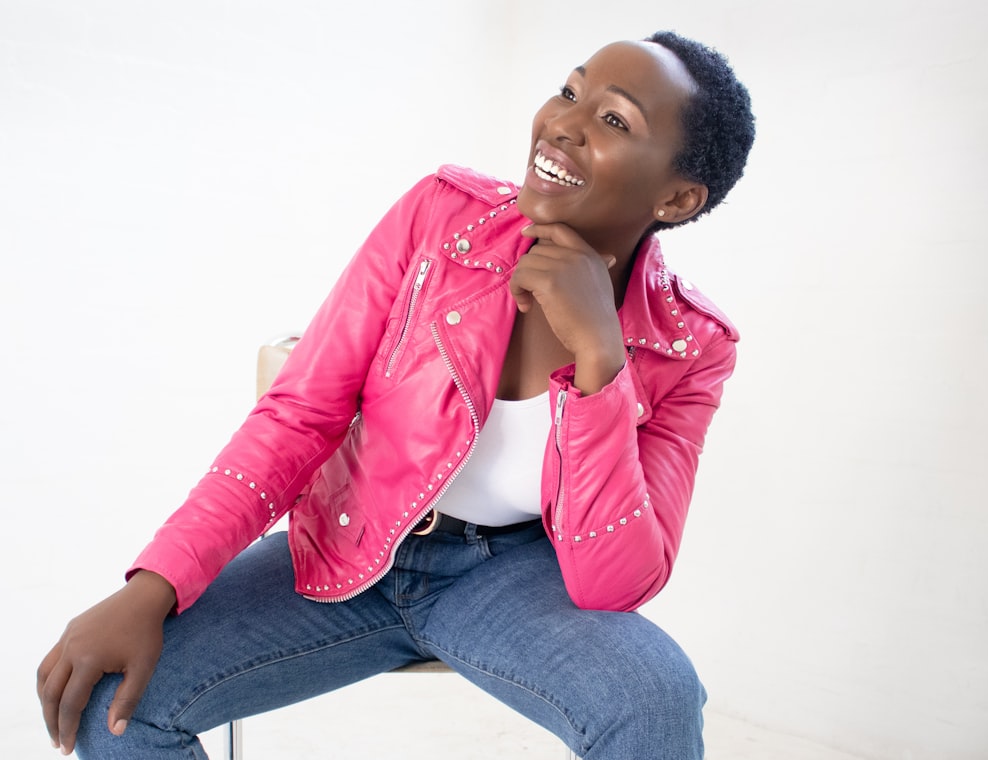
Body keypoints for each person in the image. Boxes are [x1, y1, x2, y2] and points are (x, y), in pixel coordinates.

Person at [37, 30, 755, 759]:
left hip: (511, 582)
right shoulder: (440, 217)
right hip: (350, 543)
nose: (563, 124)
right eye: (570, 91)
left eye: (613, 120)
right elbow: (300, 415)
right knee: (111, 701)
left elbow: (615, 583)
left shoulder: (692, 344)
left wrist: (601, 357)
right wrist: (155, 583)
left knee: (655, 702)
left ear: (675, 197)